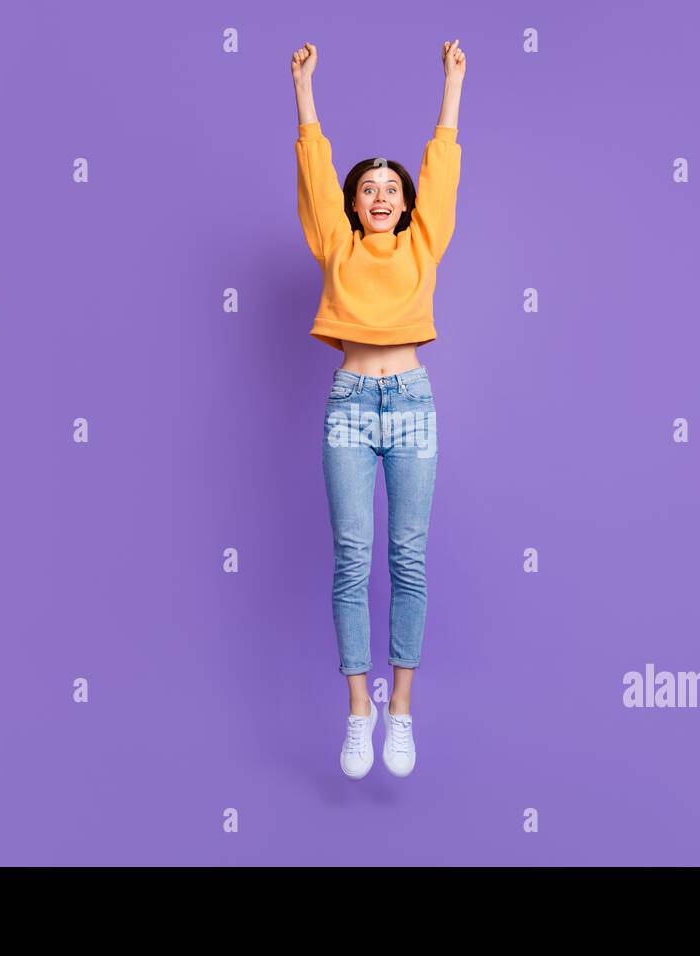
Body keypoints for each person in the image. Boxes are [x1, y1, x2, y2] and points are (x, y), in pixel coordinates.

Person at [290, 38, 466, 779]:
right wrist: (304, 91)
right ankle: (359, 712)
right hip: (351, 407)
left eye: (393, 185)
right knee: (354, 560)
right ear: (355, 205)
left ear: (406, 204)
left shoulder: (426, 243)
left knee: (409, 559)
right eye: (371, 187)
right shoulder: (336, 244)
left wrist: (452, 86)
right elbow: (314, 171)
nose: (384, 192)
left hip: (414, 404)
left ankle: (402, 712)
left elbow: (442, 169)